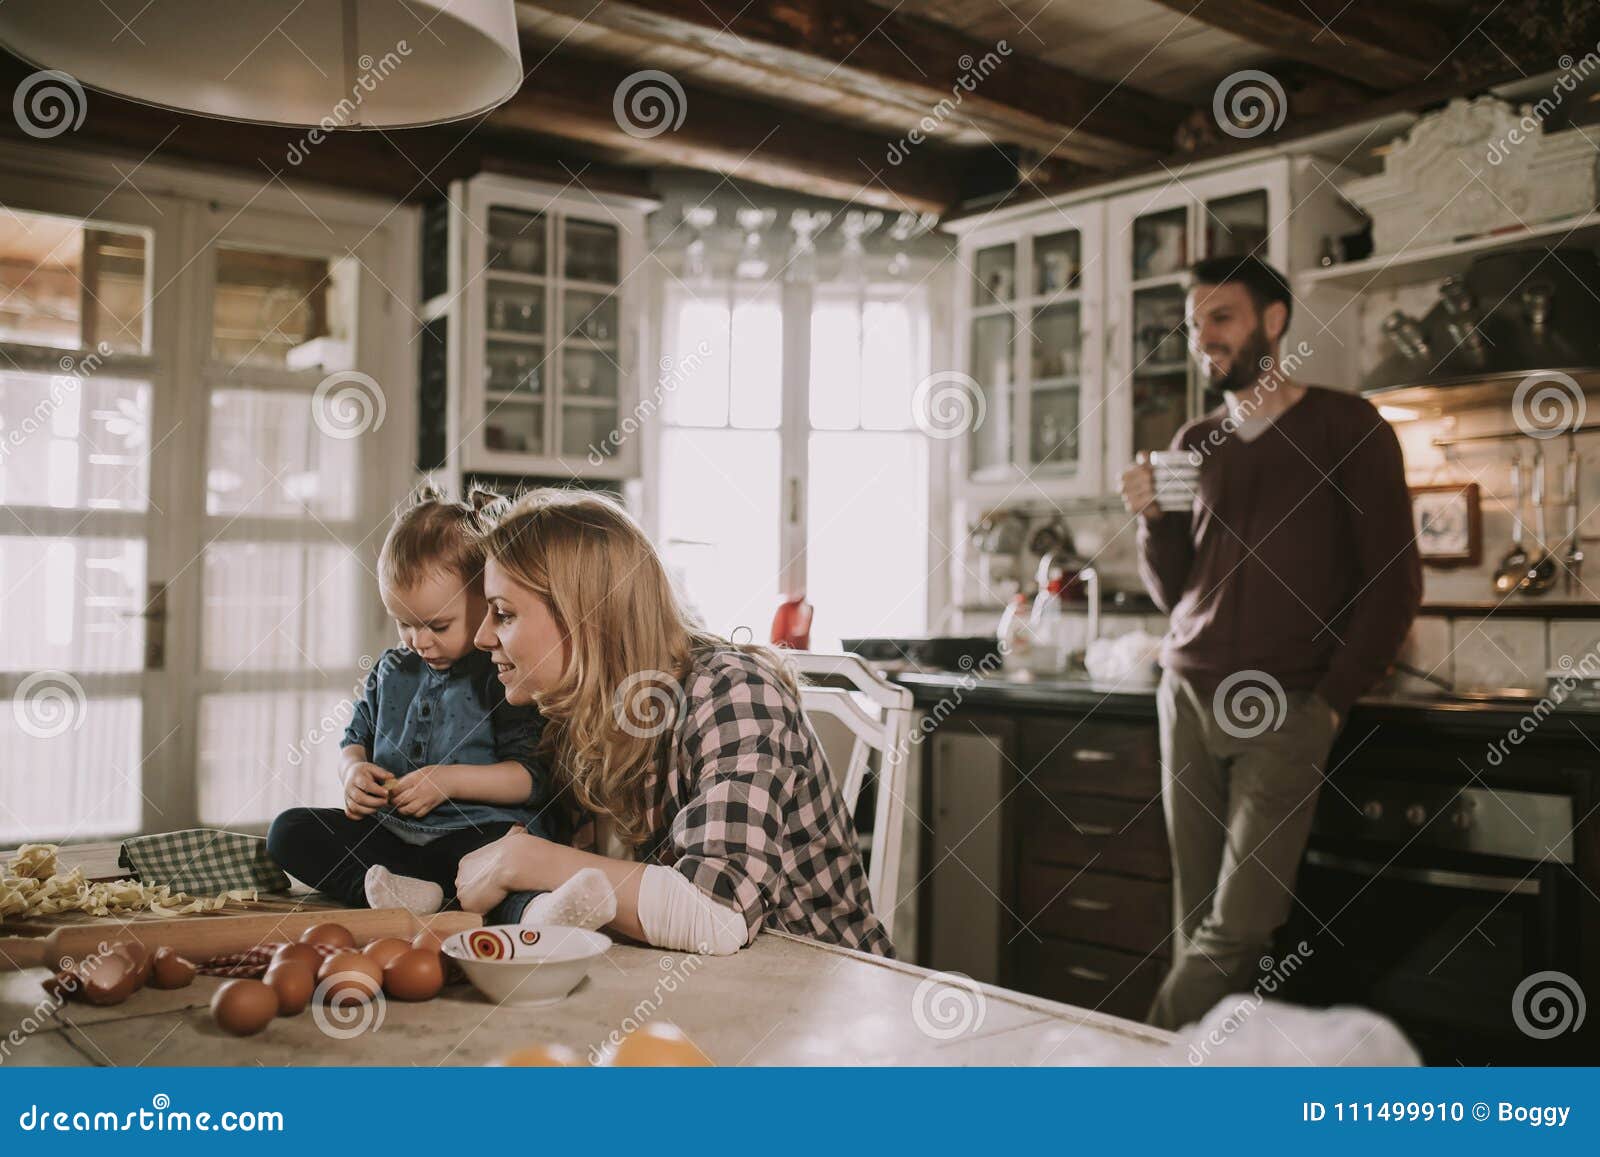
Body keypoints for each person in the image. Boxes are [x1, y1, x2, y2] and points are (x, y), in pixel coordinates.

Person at [1119, 255, 1421, 1031]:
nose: (1203, 339)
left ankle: (1129, 1074)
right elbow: (1175, 588)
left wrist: (1329, 702)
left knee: (1241, 924)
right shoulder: (1190, 441)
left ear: (1274, 321)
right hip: (1183, 690)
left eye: (1221, 319)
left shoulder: (1350, 426)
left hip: (1286, 701)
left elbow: (1393, 584)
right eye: (1194, 326)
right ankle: (1201, 1104)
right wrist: (1152, 516)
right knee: (1199, 920)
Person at [450, 487, 893, 957]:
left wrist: (522, 860)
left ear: (584, 617)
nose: (481, 637)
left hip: (824, 992)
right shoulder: (573, 710)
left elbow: (715, 915)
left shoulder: (733, 693)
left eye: (502, 614)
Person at [266, 486, 549, 919]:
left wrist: (449, 782)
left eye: (438, 625)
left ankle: (522, 908)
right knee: (289, 831)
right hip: (391, 834)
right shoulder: (391, 669)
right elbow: (354, 737)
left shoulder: (499, 673)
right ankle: (404, 893)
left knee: (513, 851)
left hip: (472, 835)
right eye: (404, 623)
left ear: (485, 600)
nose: (418, 641)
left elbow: (530, 778)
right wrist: (353, 772)